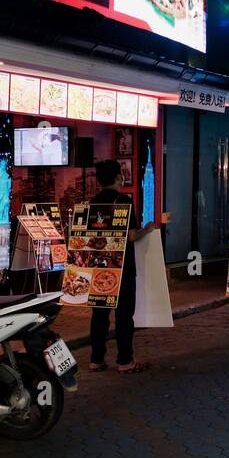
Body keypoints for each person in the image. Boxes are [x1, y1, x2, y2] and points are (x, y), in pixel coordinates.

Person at [87, 159, 156, 373]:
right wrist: (148, 228)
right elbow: (132, 235)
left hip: (99, 267)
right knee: (124, 315)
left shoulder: (93, 202)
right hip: (121, 268)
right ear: (118, 178)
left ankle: (96, 359)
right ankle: (125, 361)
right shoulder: (123, 200)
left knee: (99, 315)